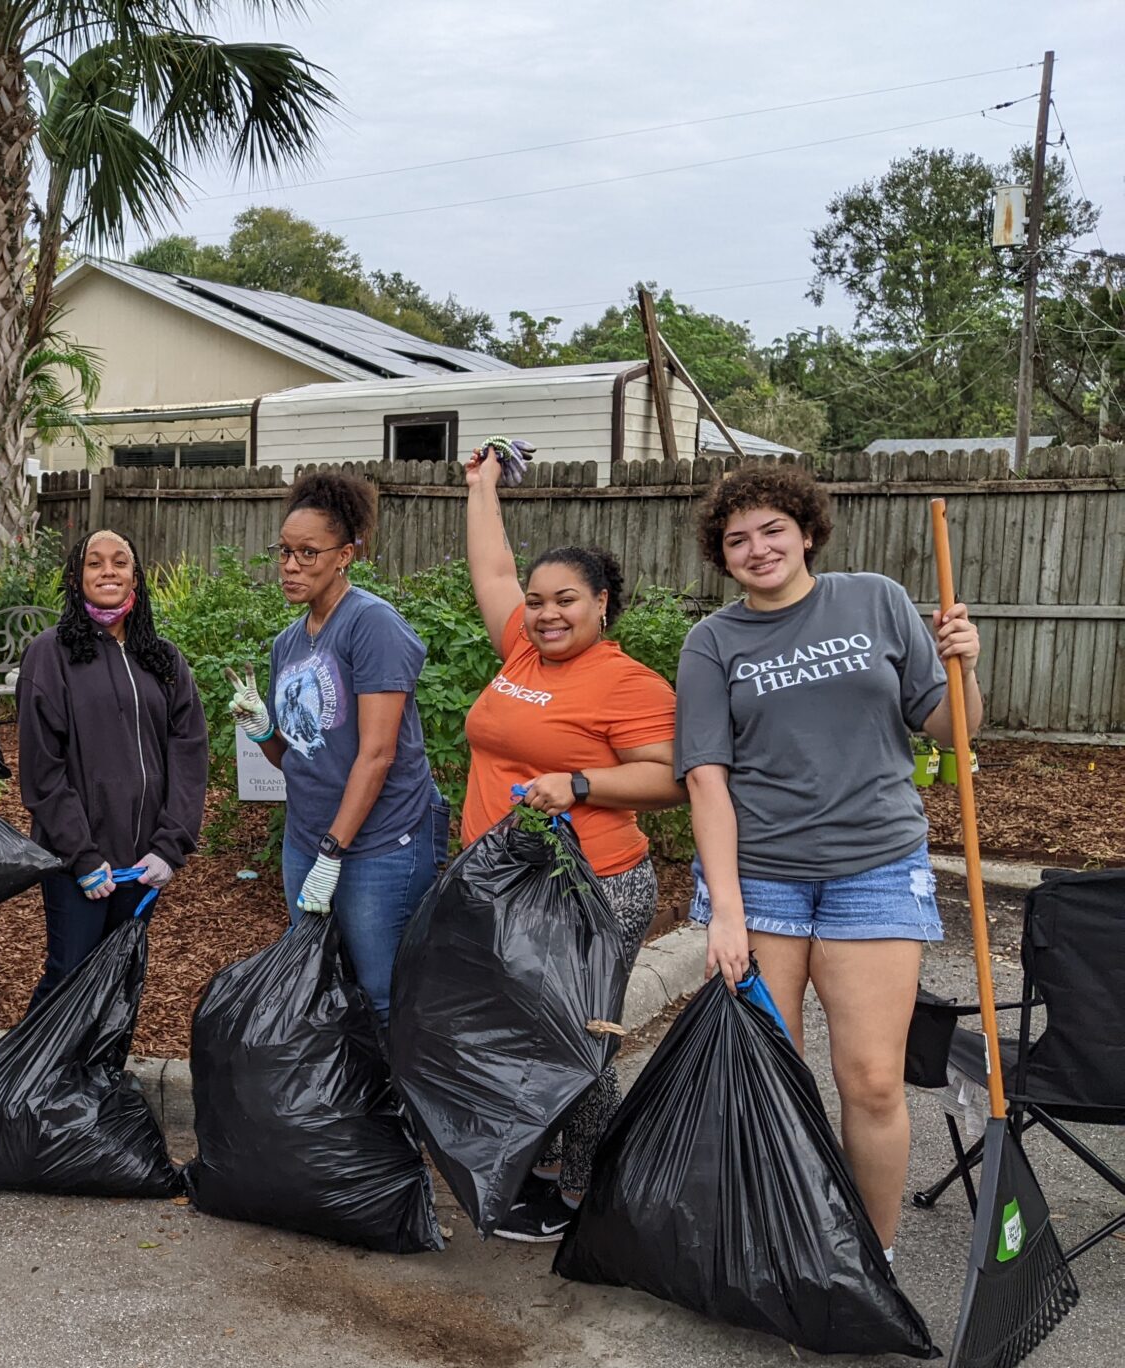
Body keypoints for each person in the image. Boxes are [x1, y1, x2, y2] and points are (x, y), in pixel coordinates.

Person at [675, 461, 980, 1259]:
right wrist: (726, 912)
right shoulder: (712, 643)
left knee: (872, 1079)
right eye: (737, 539)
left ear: (807, 532)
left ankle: (869, 1260)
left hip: (875, 869)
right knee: (771, 1079)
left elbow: (952, 731)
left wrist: (964, 666)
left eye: (773, 529)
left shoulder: (874, 599)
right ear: (723, 555)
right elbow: (707, 780)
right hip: (763, 877)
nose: (758, 547)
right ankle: (786, 1246)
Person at [459, 442, 684, 1242]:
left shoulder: (629, 683)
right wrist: (483, 487)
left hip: (591, 886)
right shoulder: (522, 649)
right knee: (523, 1024)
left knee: (578, 1036)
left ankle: (586, 1194)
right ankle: (544, 1162)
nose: (547, 613)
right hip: (510, 882)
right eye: (539, 600)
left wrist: (582, 782)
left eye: (567, 601)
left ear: (602, 605)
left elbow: (670, 778)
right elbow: (492, 572)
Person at [227, 470, 446, 1027]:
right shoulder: (288, 642)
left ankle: (398, 1108)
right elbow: (296, 756)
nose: (291, 565)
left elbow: (378, 755)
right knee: (318, 980)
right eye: (284, 552)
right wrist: (261, 732)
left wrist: (333, 851)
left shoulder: (372, 626)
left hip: (378, 843)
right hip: (308, 839)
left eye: (308, 553)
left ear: (345, 555)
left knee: (380, 990)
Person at [17, 528, 208, 1013]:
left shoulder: (163, 659)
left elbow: (189, 753)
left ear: (135, 578)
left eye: (119, 562)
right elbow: (43, 768)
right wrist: (79, 856)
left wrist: (170, 846)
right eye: (94, 562)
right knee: (70, 975)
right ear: (76, 579)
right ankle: (40, 1085)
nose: (108, 571)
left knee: (122, 977)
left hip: (142, 865)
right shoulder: (51, 653)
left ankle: (103, 1081)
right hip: (77, 863)